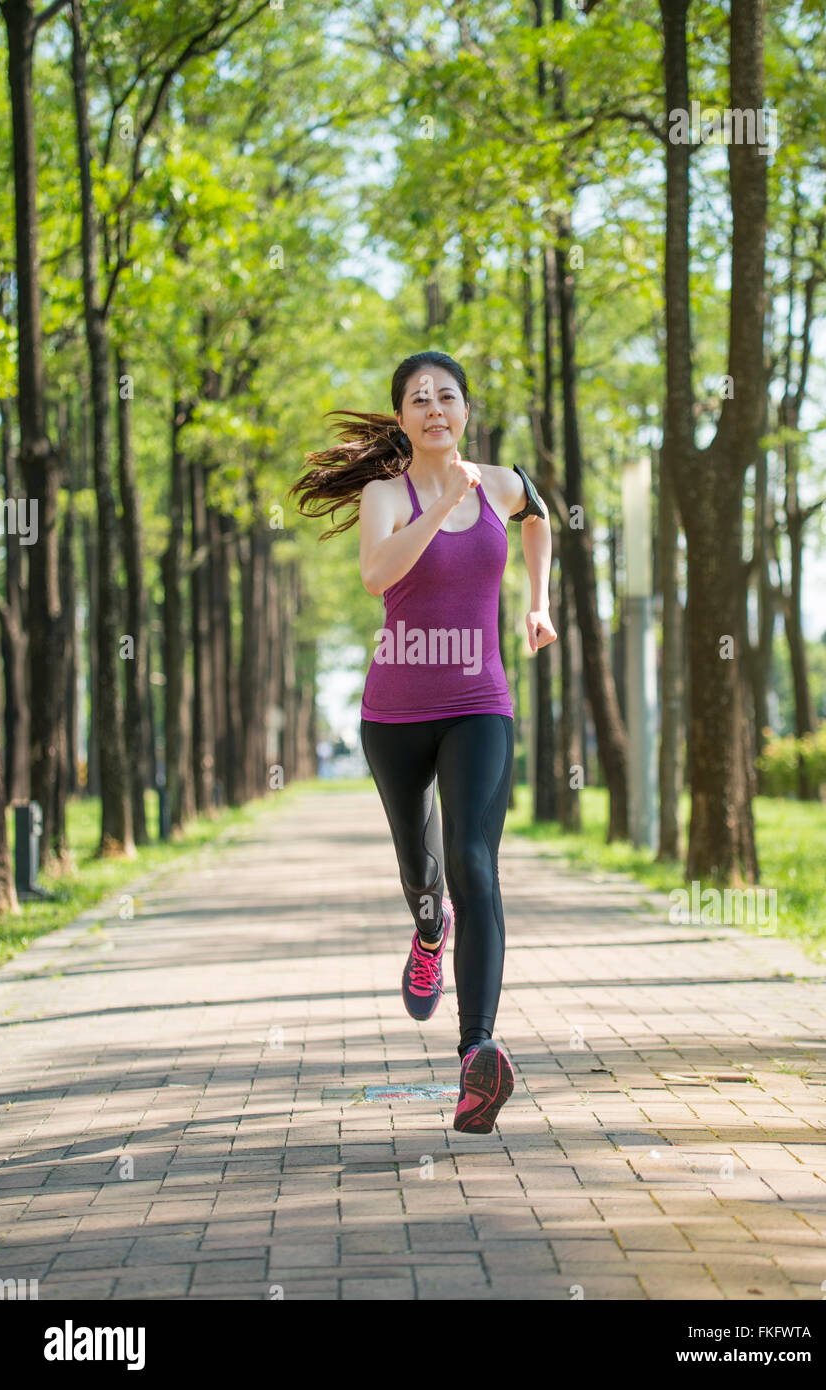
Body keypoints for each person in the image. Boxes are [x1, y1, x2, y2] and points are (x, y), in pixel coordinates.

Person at [289, 350, 555, 1132]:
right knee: (424, 874)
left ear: (464, 409)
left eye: (446, 396)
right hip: (394, 713)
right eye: (418, 399)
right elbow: (377, 574)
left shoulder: (503, 482)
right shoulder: (386, 494)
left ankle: (478, 1054)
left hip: (479, 701)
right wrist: (440, 507)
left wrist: (537, 602)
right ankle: (426, 929)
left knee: (476, 862)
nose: (434, 407)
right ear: (402, 420)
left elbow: (537, 522)